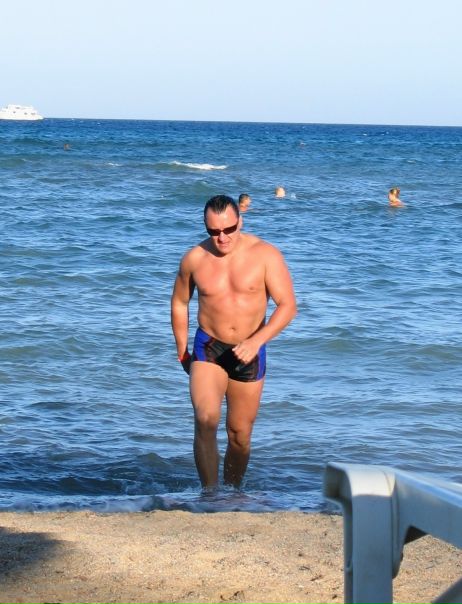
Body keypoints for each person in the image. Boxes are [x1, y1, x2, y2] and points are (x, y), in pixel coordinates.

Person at [171, 195, 297, 490]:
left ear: (240, 221)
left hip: (250, 350)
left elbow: (288, 306)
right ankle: (210, 495)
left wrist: (256, 341)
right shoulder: (194, 259)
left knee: (239, 434)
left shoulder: (265, 255)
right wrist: (181, 350)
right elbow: (179, 302)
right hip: (208, 346)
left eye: (228, 229)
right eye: (214, 231)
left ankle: (232, 492)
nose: (222, 237)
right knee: (205, 419)